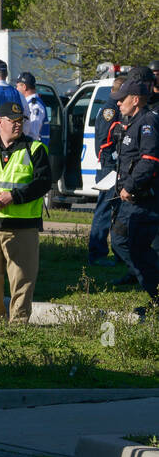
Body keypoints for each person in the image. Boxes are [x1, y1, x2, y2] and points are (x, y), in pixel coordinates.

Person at [0, 101, 53, 322]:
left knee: (22, 278)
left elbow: (43, 183)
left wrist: (14, 196)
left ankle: (18, 322)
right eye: (13, 121)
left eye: (21, 121)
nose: (18, 125)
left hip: (22, 225)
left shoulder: (35, 148)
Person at [110, 79, 159, 316]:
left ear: (136, 99)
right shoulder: (134, 122)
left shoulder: (147, 122)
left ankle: (156, 295)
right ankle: (156, 294)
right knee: (125, 244)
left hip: (142, 200)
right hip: (132, 199)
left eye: (123, 98)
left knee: (129, 245)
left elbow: (149, 161)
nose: (118, 102)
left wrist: (129, 186)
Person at [88, 74, 125, 267]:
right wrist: (112, 160)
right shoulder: (110, 110)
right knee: (104, 209)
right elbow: (105, 141)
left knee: (117, 210)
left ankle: (118, 253)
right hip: (109, 167)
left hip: (111, 165)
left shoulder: (111, 107)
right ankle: (97, 254)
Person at [14, 72, 50, 147]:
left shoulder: (34, 105)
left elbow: (33, 132)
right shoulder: (29, 103)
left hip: (35, 148)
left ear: (24, 87)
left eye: (17, 86)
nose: (16, 89)